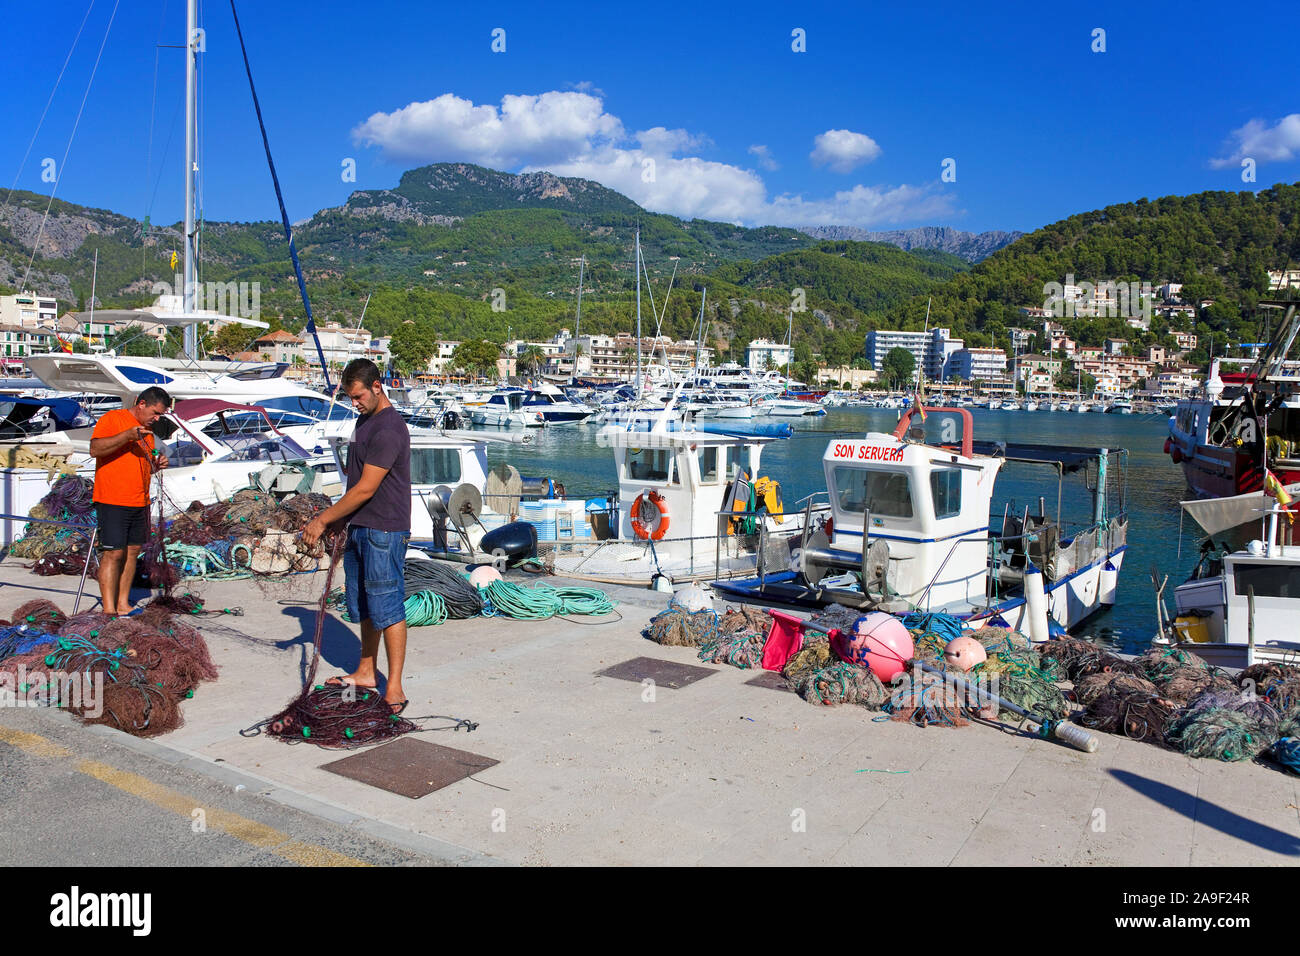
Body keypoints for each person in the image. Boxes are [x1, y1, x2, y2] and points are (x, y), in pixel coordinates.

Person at [303, 359, 412, 713]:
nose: (355, 403)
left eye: (359, 396)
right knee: (364, 604)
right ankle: (366, 670)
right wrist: (342, 519)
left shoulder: (389, 429)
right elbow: (355, 485)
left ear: (377, 386)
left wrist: (321, 520)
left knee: (388, 606)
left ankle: (394, 686)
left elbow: (366, 488)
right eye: (351, 397)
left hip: (385, 528)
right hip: (361, 526)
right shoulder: (365, 422)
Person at [89, 387, 172, 616]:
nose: (156, 419)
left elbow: (142, 468)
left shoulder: (147, 432)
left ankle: (123, 604)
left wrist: (157, 465)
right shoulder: (113, 419)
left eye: (160, 416)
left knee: (132, 551)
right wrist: (126, 436)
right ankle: (108, 609)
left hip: (140, 500)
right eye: (155, 413)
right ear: (142, 403)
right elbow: (95, 449)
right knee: (113, 553)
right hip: (112, 499)